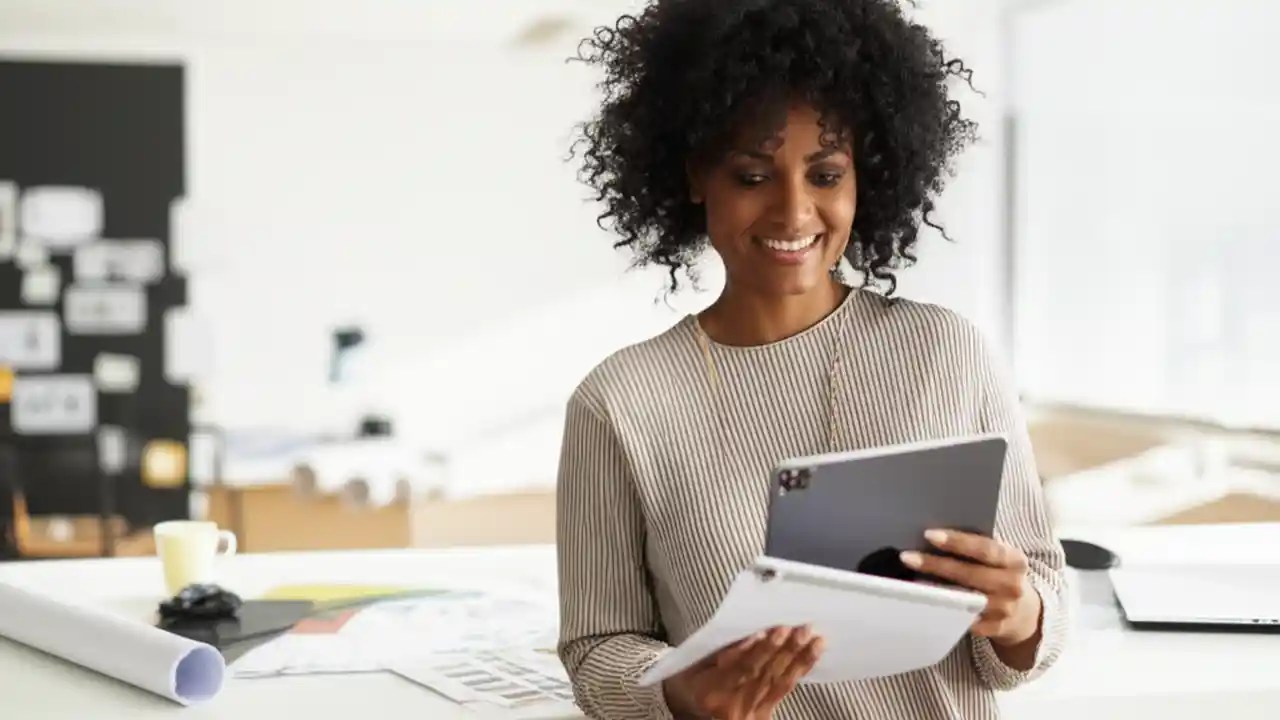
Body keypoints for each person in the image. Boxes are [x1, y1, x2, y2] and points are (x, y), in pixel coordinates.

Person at [555, 1, 1070, 718]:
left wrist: (1018, 613)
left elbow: (1036, 596)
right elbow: (597, 650)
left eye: (825, 175)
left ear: (867, 179)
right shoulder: (619, 402)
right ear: (697, 176)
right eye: (752, 176)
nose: (794, 214)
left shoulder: (945, 353)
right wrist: (680, 691)